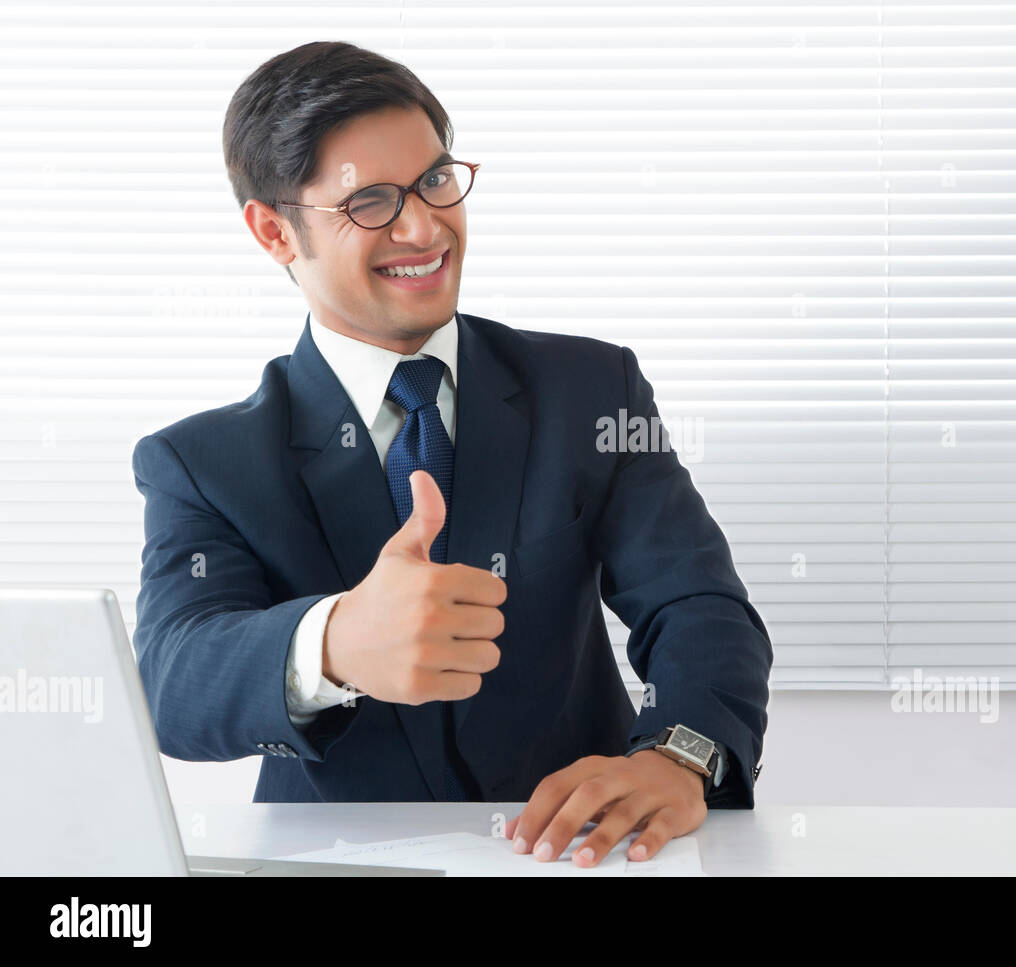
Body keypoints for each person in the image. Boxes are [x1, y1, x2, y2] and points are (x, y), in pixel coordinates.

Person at [131, 41, 771, 868]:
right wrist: (333, 642)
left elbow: (697, 602)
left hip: (579, 852)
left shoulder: (591, 388)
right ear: (273, 230)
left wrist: (682, 753)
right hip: (331, 859)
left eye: (435, 180)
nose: (424, 226)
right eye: (370, 200)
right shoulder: (205, 461)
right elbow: (173, 679)